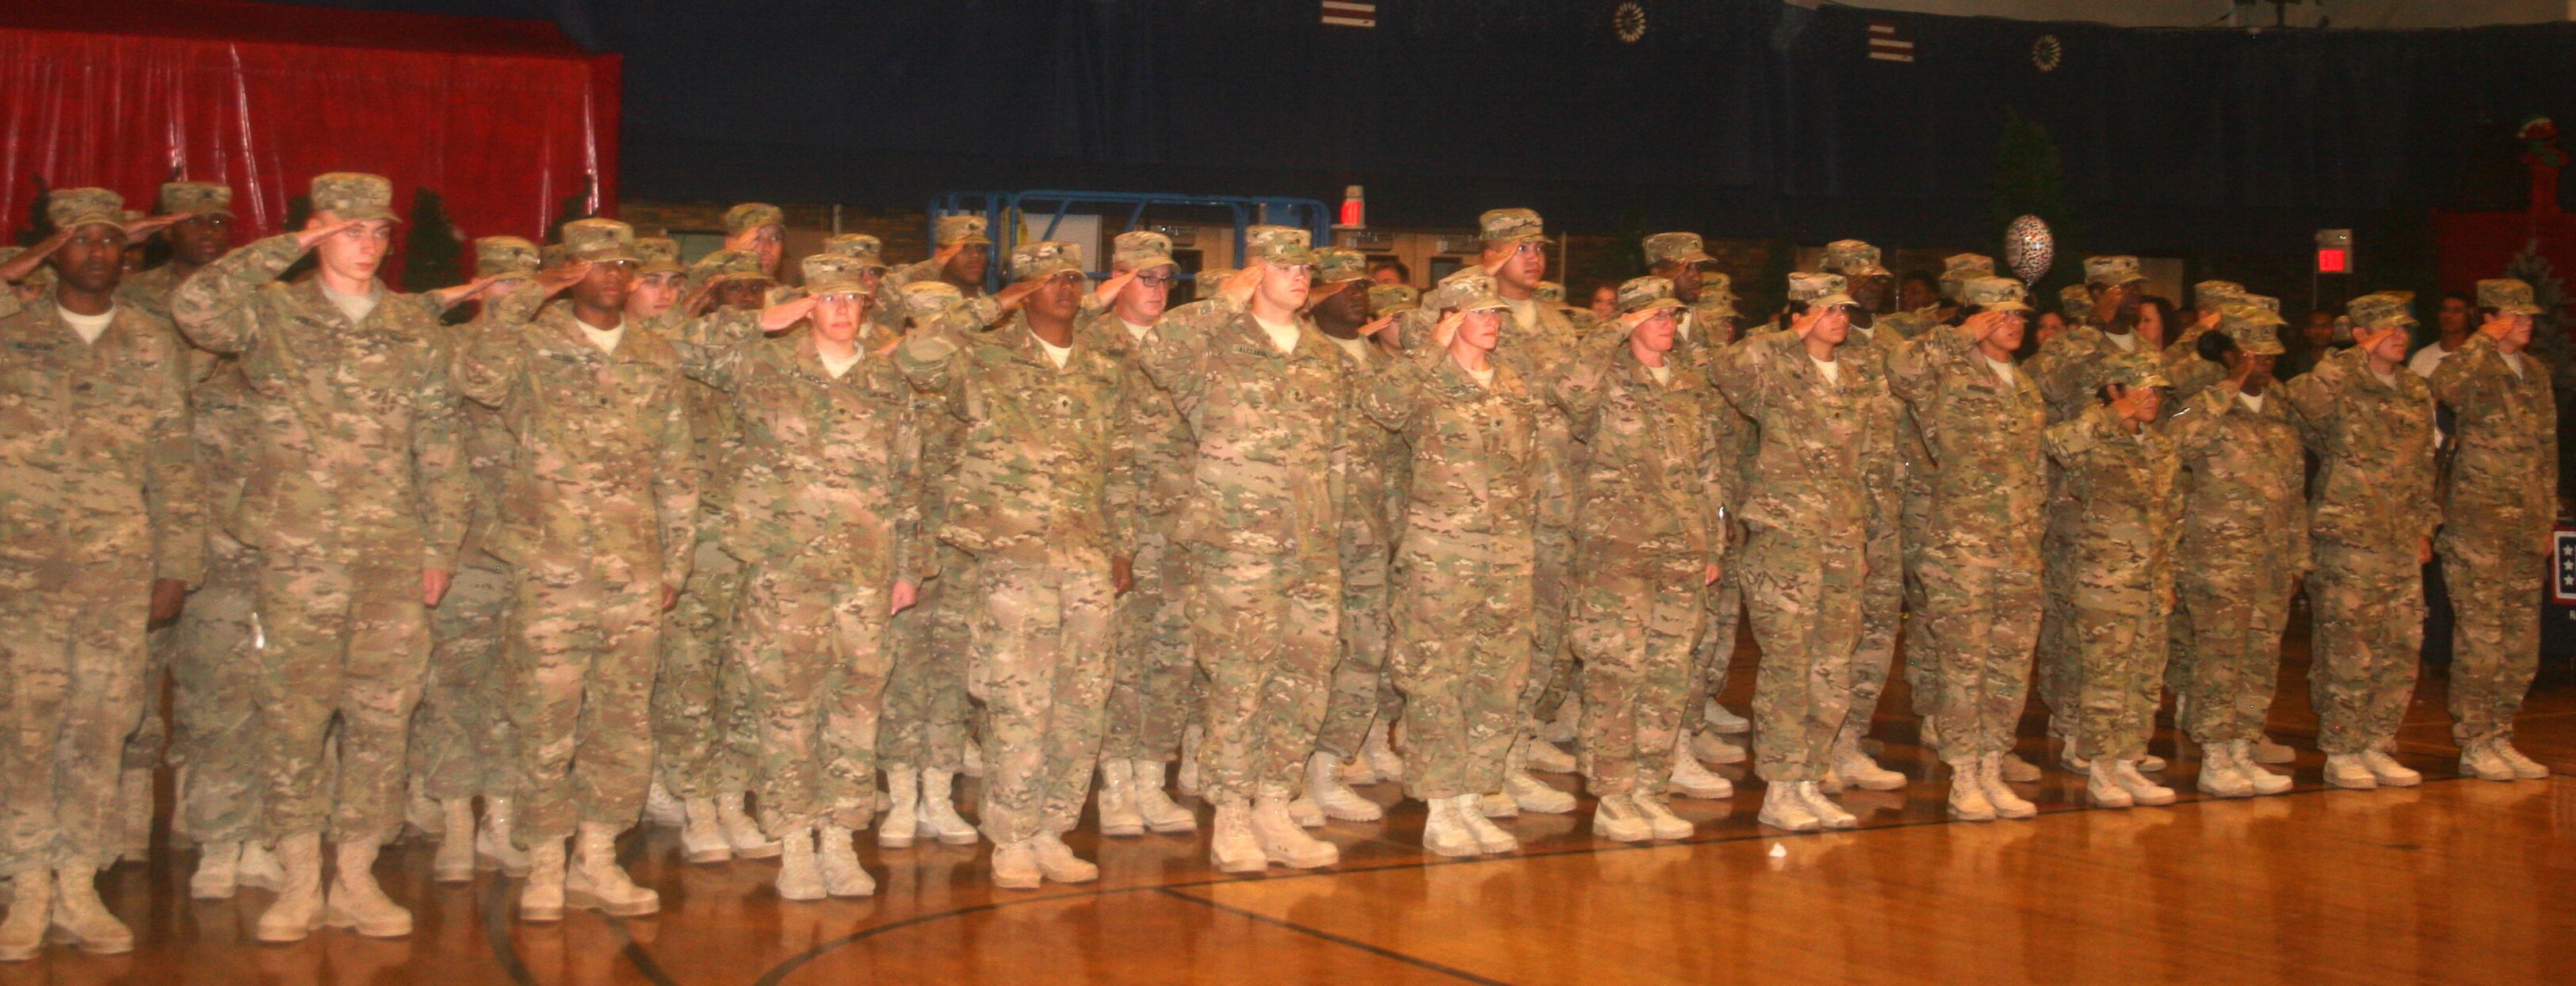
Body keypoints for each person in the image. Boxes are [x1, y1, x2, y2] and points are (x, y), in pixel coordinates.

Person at [171, 172, 487, 942]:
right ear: (318, 232)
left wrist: (440, 545)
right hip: (299, 553)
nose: (369, 244)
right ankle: (299, 877)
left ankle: (355, 873)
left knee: (383, 717)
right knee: (294, 714)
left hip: (391, 551)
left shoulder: (413, 324)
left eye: (379, 231)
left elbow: (440, 442)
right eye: (351, 230)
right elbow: (194, 308)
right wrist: (285, 249)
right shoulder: (274, 311)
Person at [454, 219, 697, 920]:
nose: (614, 274)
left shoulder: (655, 355)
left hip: (633, 569)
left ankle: (597, 857)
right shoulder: (531, 340)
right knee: (545, 719)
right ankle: (544, 864)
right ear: (567, 270)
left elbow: (677, 467)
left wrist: (675, 563)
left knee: (622, 722)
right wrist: (520, 299)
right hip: (551, 568)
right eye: (596, 263)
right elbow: (477, 380)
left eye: (625, 261)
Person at [0, 189, 202, 961]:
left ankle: (78, 883)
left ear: (130, 253)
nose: (96, 253)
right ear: (54, 250)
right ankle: (25, 888)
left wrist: (177, 565)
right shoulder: (14, 329)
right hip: (19, 575)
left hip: (116, 573)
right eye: (78, 240)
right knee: (22, 729)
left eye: (110, 241)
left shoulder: (151, 344)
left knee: (99, 729)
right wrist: (28, 263)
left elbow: (173, 462)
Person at [900, 241, 1137, 889]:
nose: (1061, 287)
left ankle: (1053, 829)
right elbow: (914, 361)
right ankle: (1010, 836)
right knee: (1016, 699)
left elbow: (1118, 463)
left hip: (1085, 553)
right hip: (1014, 554)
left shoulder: (1101, 364)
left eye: (1069, 277)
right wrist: (989, 307)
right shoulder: (985, 355)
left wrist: (1121, 545)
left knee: (1083, 699)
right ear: (1021, 289)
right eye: (1043, 278)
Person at [683, 254, 918, 899]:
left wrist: (908, 567)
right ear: (807, 304)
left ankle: (840, 838)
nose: (843, 310)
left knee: (856, 706)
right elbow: (681, 347)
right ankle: (793, 843)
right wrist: (763, 320)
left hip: (865, 570)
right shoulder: (764, 366)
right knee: (785, 704)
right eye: (829, 298)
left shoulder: (886, 380)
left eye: (853, 299)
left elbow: (907, 479)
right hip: (786, 568)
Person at [1139, 226, 1346, 873]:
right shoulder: (1213, 341)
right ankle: (1230, 815)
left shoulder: (1322, 356)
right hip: (1237, 545)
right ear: (1252, 273)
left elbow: (1335, 450)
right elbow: (1156, 354)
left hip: (1310, 546)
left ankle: (1274, 808)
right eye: (1283, 266)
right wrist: (1225, 302)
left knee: (1305, 682)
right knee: (1238, 685)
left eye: (1305, 267)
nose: (1300, 276)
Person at [1360, 273, 1542, 856]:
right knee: (1438, 682)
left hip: (1508, 557)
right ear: (1448, 317)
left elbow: (1528, 470)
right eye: (1477, 310)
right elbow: (1381, 408)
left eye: (1496, 311)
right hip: (1443, 558)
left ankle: (1473, 797)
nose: (1492, 319)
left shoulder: (1512, 381)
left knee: (1499, 681)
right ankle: (1441, 806)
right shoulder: (1424, 379)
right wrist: (1429, 349)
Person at [1712, 273, 1896, 832]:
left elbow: (1869, 468)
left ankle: (1810, 778)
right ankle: (1780, 786)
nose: (1838, 317)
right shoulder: (1776, 369)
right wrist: (1789, 333)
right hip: (1786, 539)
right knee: (1789, 668)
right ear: (1800, 314)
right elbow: (1725, 368)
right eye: (1824, 309)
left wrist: (1864, 539)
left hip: (1840, 539)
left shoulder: (1861, 378)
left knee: (1832, 666)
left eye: (1842, 308)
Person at [1556, 277, 1729, 843]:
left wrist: (1711, 543)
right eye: (1656, 315)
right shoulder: (1604, 379)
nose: (1668, 324)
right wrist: (1610, 334)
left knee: (1668, 672)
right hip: (1617, 550)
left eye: (1674, 315)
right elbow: (1569, 394)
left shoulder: (1688, 384)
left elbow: (1708, 471)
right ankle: (1612, 794)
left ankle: (1651, 788)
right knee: (1615, 672)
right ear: (1629, 322)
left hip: (1681, 550)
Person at [1886, 276, 2047, 820]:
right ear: (1976, 319)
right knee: (1964, 668)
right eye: (2002, 316)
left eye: (2020, 316)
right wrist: (1957, 334)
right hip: (1962, 549)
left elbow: (2035, 474)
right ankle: (1963, 777)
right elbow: (1901, 370)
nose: (2015, 325)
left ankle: (1993, 766)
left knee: (2009, 668)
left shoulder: (2023, 387)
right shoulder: (1946, 374)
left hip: (2019, 550)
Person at [415, 237, 541, 885]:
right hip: (468, 546)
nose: (516, 296)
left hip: (533, 547)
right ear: (478, 287)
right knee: (454, 689)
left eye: (528, 284)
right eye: (503, 284)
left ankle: (501, 819)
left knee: (516, 691)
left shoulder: (550, 352)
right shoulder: (450, 349)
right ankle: (457, 823)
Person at [2281, 291, 2440, 790]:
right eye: (2388, 330)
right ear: (2361, 336)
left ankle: (2377, 742)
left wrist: (2424, 526)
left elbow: (2423, 466)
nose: (2400, 337)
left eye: (2405, 329)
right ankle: (2343, 748)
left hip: (2400, 541)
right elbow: (2299, 398)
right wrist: (2345, 359)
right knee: (2348, 649)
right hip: (2348, 538)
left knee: (2399, 646)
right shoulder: (2336, 380)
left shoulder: (2415, 388)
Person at [1084, 231, 1203, 836]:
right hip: (1119, 524)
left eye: (1165, 281)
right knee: (1120, 659)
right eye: (1145, 278)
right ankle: (1117, 786)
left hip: (1180, 523)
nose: (1157, 291)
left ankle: (1153, 779)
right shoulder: (1088, 341)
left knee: (1173, 659)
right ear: (1117, 278)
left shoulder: (1182, 345)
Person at [2031, 256, 2165, 778]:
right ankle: (2073, 728)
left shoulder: (2145, 350)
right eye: (2118, 289)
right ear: (2094, 293)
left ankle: (2116, 737)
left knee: (2124, 634)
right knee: (2076, 625)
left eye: (2135, 289)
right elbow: (2044, 391)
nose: (2129, 297)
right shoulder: (2073, 343)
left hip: (2130, 497)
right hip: (2078, 500)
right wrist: (2089, 331)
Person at [2166, 306, 2302, 797]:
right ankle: (2216, 756)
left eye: (2268, 354)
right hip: (2216, 557)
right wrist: (2228, 389)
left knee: (2260, 661)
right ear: (2228, 357)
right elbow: (2173, 442)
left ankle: (2243, 748)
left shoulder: (2283, 408)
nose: (2261, 362)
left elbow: (2294, 487)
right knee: (2219, 661)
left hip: (2271, 558)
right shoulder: (2200, 403)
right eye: (2250, 353)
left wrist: (2297, 556)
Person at [1477, 209, 1586, 805]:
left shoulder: (1557, 325)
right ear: (1490, 252)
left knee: (1545, 631)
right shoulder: (1467, 317)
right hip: (1493, 507)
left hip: (1555, 503)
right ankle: (1486, 763)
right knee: (1495, 639)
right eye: (1520, 248)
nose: (1534, 257)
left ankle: (1518, 743)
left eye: (1539, 248)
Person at [2429, 280, 2557, 781]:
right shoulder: (2474, 363)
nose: (2525, 323)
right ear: (2490, 319)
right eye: (2514, 316)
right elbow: (2446, 387)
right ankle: (2475, 739)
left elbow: (2547, 451)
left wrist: (2545, 517)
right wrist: (2483, 339)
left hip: (2524, 527)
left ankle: (2501, 732)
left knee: (2521, 643)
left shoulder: (2537, 373)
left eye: (2529, 316)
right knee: (2480, 640)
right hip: (2477, 525)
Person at [875, 281, 987, 850]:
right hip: (901, 548)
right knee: (899, 674)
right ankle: (899, 797)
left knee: (950, 677)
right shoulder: (881, 381)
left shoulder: (976, 383)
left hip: (961, 549)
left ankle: (938, 794)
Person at [2045, 352, 2183, 808]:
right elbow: (2057, 446)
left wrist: (2168, 573)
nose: (2152, 398)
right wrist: (2108, 415)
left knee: (2144, 680)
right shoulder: (2093, 435)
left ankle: (2130, 761)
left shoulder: (2160, 447)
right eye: (2140, 388)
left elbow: (2172, 516)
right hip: (2106, 580)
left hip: (2151, 580)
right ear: (2114, 392)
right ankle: (2101, 768)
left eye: (2157, 390)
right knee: (2105, 680)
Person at [1300, 247, 1401, 827]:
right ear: (1317, 293)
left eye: (1363, 284)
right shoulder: (1299, 354)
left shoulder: (1380, 363)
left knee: (1363, 654)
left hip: (1368, 532)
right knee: (1307, 660)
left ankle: (1329, 769)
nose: (1359, 294)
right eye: (1344, 285)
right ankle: (1287, 779)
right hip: (1309, 533)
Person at [1815, 240, 1908, 793]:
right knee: (1824, 640)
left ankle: (1850, 740)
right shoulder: (1810, 348)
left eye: (1877, 277)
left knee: (1874, 635)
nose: (1872, 285)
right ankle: (1816, 747)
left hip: (1889, 511)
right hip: (1830, 515)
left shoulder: (1898, 346)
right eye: (1859, 278)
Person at [885, 215, 992, 300]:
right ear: (940, 253)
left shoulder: (987, 303)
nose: (976, 255)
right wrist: (935, 264)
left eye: (981, 248)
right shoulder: (917, 296)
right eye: (964, 248)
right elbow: (880, 287)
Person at [2408, 292, 2477, 378]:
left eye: (2457, 311)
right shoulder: (2421, 357)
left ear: (2469, 316)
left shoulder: (2479, 355)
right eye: (2444, 310)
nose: (2448, 315)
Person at [723, 202, 787, 281]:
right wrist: (733, 260)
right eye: (757, 238)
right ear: (730, 244)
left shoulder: (787, 293)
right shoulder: (710, 290)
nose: (767, 248)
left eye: (775, 238)